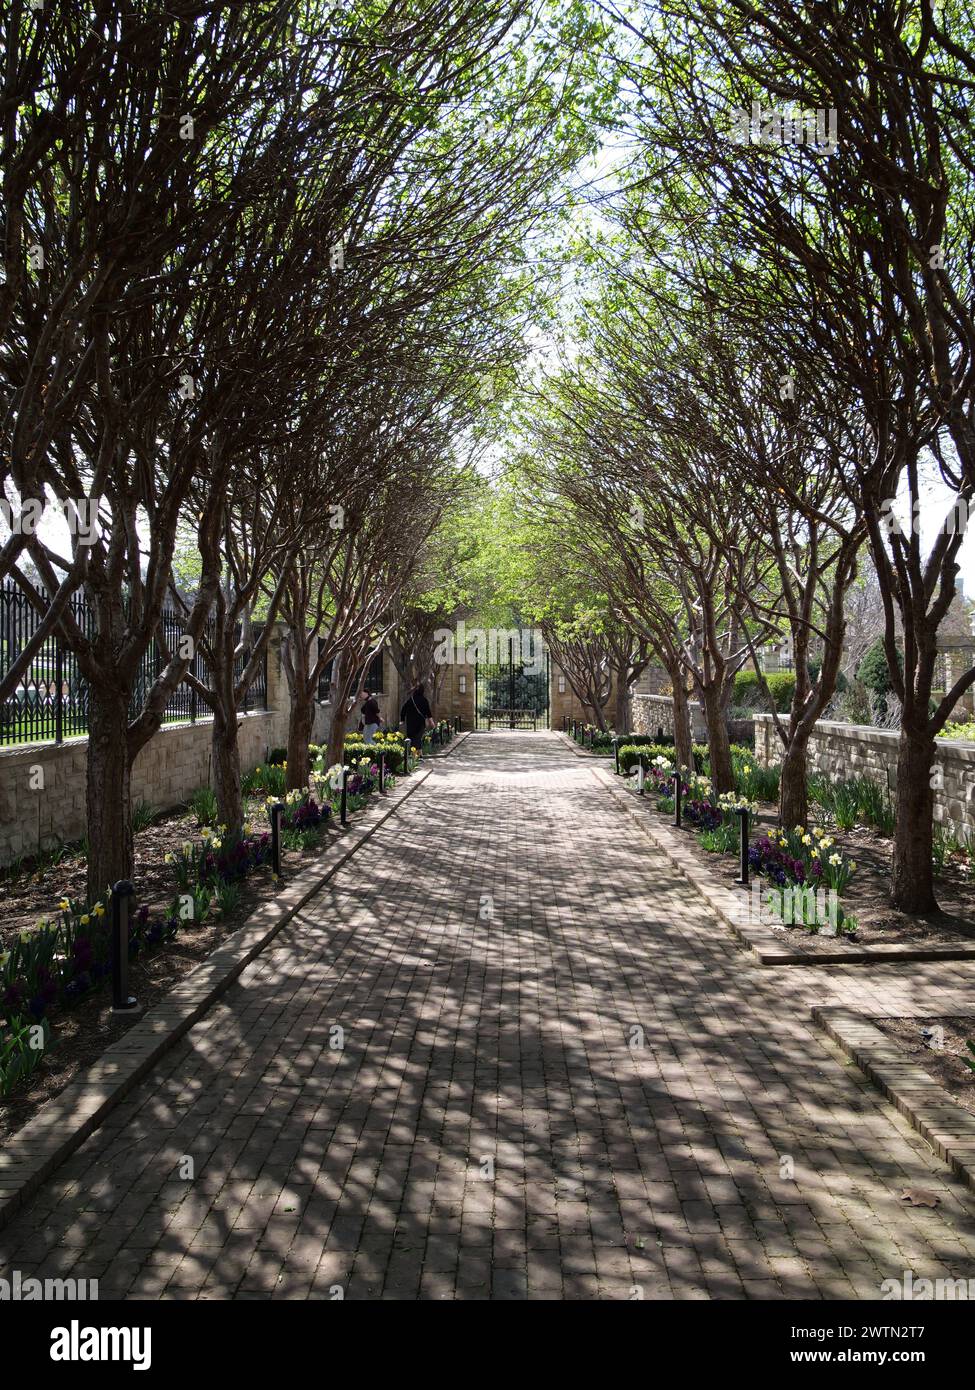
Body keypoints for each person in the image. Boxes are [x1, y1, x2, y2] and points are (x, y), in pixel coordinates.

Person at [401, 681, 432, 750]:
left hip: (411, 724)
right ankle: (417, 756)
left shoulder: (411, 700)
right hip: (420, 724)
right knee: (418, 739)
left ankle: (415, 756)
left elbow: (403, 709)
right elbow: (428, 713)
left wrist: (402, 720)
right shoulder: (424, 700)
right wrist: (431, 722)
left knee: (412, 740)